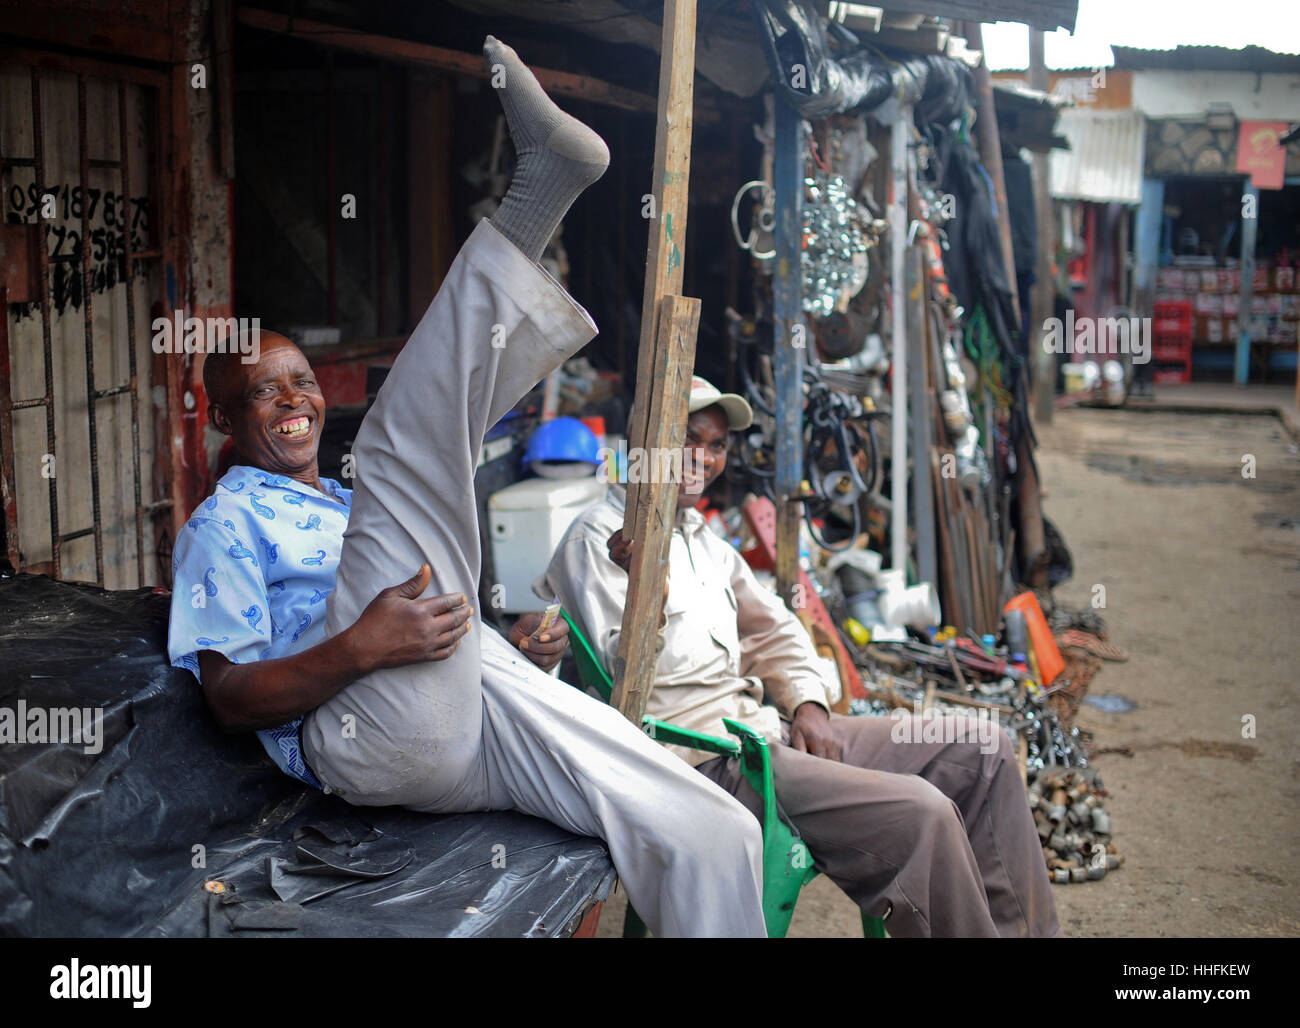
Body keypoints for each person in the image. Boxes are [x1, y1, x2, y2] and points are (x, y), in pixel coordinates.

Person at [167, 38, 766, 939]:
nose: (293, 402)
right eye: (264, 391)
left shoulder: (331, 506)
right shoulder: (224, 523)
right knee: (406, 438)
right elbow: (228, 696)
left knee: (709, 828)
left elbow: (423, 613)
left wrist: (493, 640)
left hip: (464, 704)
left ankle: (547, 191)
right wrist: (362, 649)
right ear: (223, 418)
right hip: (359, 733)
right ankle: (542, 193)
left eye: (300, 384)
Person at [538, 375, 1063, 938]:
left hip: (771, 735)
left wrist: (808, 700)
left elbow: (775, 631)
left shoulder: (703, 539)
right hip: (710, 762)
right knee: (924, 815)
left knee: (983, 750)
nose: (704, 458)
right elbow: (628, 676)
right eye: (688, 438)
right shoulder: (596, 539)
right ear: (644, 442)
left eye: (716, 446)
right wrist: (651, 593)